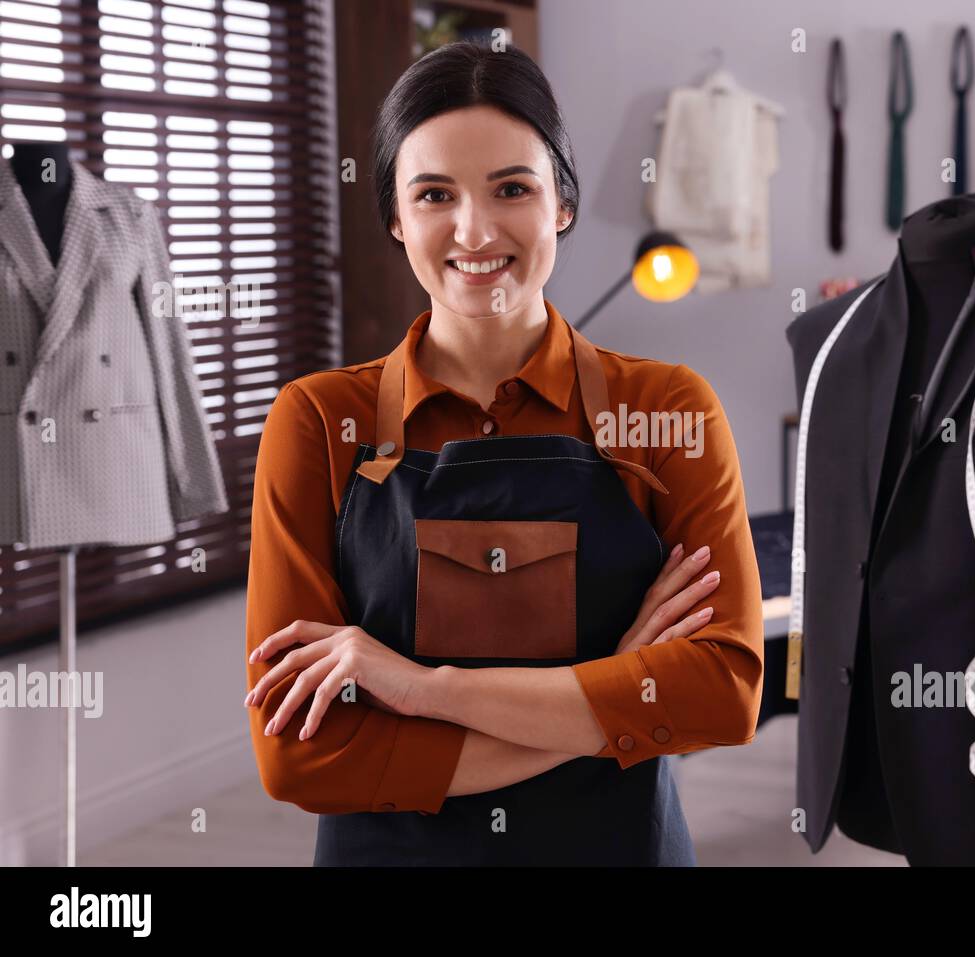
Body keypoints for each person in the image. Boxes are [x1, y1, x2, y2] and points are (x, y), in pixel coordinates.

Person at [241, 41, 765, 865]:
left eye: (512, 188)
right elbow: (301, 751)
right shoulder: (316, 424)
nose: (475, 230)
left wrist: (422, 687)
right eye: (434, 194)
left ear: (562, 202)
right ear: (394, 217)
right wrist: (617, 687)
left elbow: (723, 692)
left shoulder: (665, 410)